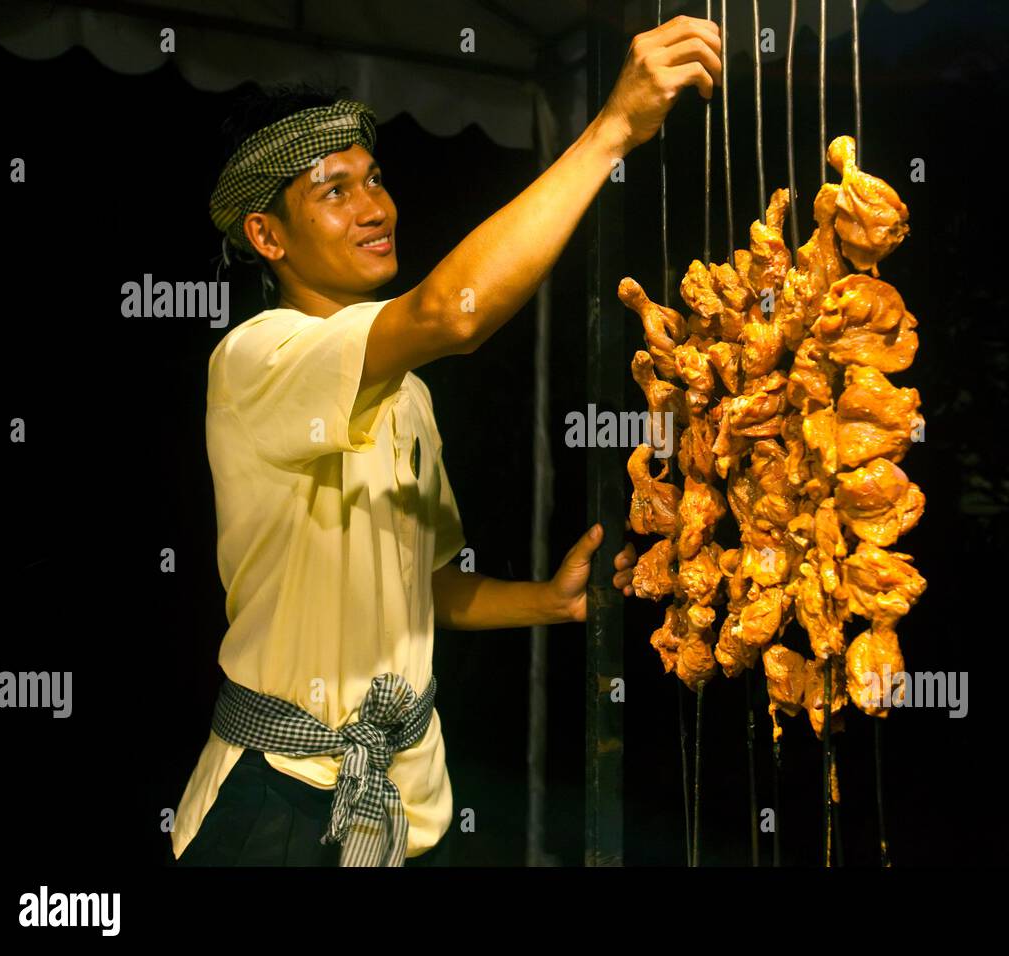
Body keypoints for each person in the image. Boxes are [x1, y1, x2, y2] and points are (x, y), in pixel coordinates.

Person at [170, 15, 723, 867]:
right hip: (279, 799)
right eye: (335, 191)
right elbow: (452, 312)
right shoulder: (255, 359)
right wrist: (612, 128)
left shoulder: (407, 394)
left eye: (375, 179)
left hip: (411, 801)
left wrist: (549, 600)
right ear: (267, 237)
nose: (375, 208)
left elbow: (421, 589)